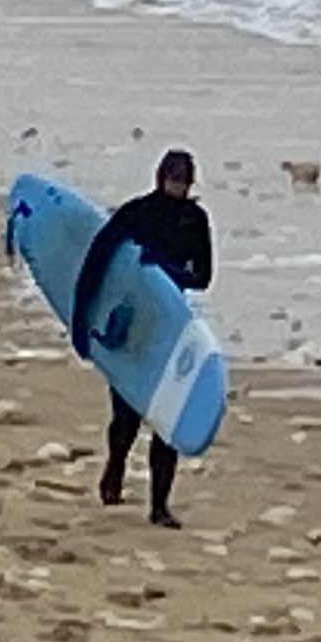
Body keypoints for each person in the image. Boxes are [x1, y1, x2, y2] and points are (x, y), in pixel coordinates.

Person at [75, 150, 214, 526]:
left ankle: (159, 506)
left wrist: (168, 270)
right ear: (159, 177)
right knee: (126, 417)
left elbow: (203, 276)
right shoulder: (135, 214)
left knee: (167, 420)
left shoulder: (194, 220)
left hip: (170, 329)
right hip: (132, 328)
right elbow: (96, 261)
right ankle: (115, 467)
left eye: (182, 182)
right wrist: (80, 320)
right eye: (171, 180)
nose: (176, 188)